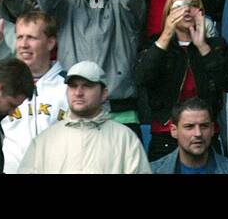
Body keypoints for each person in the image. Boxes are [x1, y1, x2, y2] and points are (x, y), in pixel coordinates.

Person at [135, 0, 228, 160]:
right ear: (168, 13)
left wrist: (203, 47)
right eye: (178, 6)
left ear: (200, 12)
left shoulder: (216, 46)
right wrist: (166, 36)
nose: (186, 10)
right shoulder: (156, 45)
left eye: (192, 4)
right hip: (166, 134)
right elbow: (142, 77)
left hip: (205, 135)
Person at [16, 60, 151, 174]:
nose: (78, 92)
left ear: (104, 93)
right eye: (73, 86)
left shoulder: (125, 139)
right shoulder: (44, 141)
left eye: (87, 86)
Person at [0, 11, 68, 174]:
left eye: (31, 37)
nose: (23, 44)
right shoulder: (1, 86)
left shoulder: (69, 86)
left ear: (50, 42)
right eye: (19, 37)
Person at [150, 98, 228, 174]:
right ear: (174, 131)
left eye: (204, 126)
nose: (198, 133)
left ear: (212, 129)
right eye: (189, 127)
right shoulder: (150, 171)